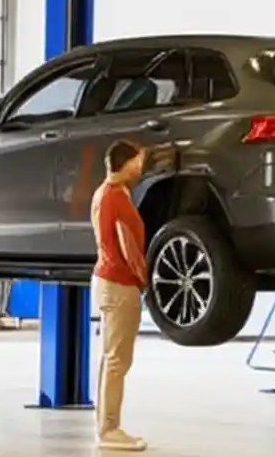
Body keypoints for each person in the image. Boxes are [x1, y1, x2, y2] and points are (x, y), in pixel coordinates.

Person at [91, 139, 149, 452]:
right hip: (119, 284)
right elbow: (128, 247)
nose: (140, 168)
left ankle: (105, 425)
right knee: (117, 361)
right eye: (138, 162)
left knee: (109, 358)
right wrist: (146, 280)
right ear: (125, 164)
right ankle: (109, 430)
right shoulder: (115, 198)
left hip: (108, 282)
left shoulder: (109, 193)